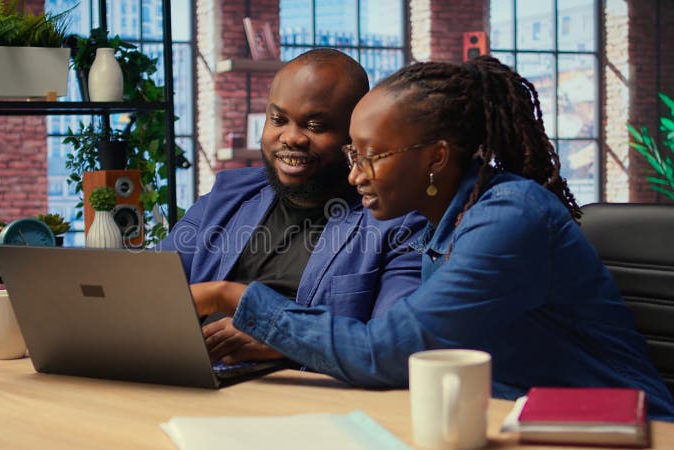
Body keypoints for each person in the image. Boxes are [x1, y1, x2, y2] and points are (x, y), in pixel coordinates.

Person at [191, 56, 674, 418]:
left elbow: (386, 351)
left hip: (618, 429)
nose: (355, 175)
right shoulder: (439, 219)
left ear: (436, 159)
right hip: (508, 418)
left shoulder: (508, 219)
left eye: (371, 156)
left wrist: (230, 294)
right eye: (352, 156)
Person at [158, 48, 426, 363]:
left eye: (314, 125)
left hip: (304, 390)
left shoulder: (396, 221)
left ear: (355, 134)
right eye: (278, 120)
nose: (291, 138)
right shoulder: (229, 195)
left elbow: (390, 344)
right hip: (201, 373)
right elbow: (154, 286)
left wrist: (283, 340)